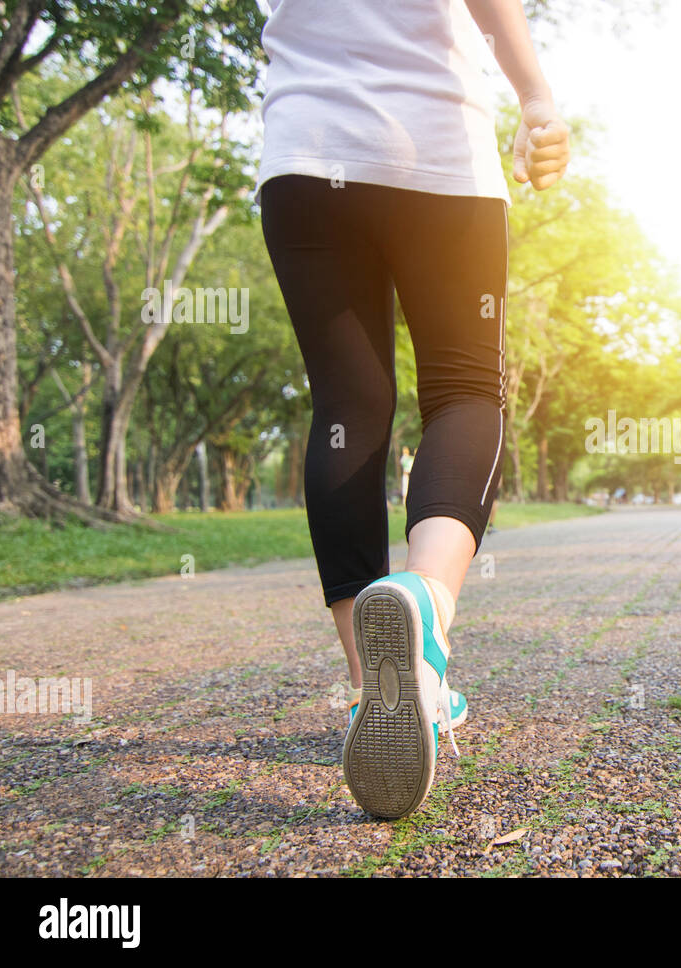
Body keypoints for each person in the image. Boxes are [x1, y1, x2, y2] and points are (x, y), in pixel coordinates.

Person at [258, 0, 569, 818]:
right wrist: (535, 96)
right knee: (465, 388)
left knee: (348, 402)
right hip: (436, 147)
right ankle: (426, 605)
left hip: (306, 148)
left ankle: (372, 690)